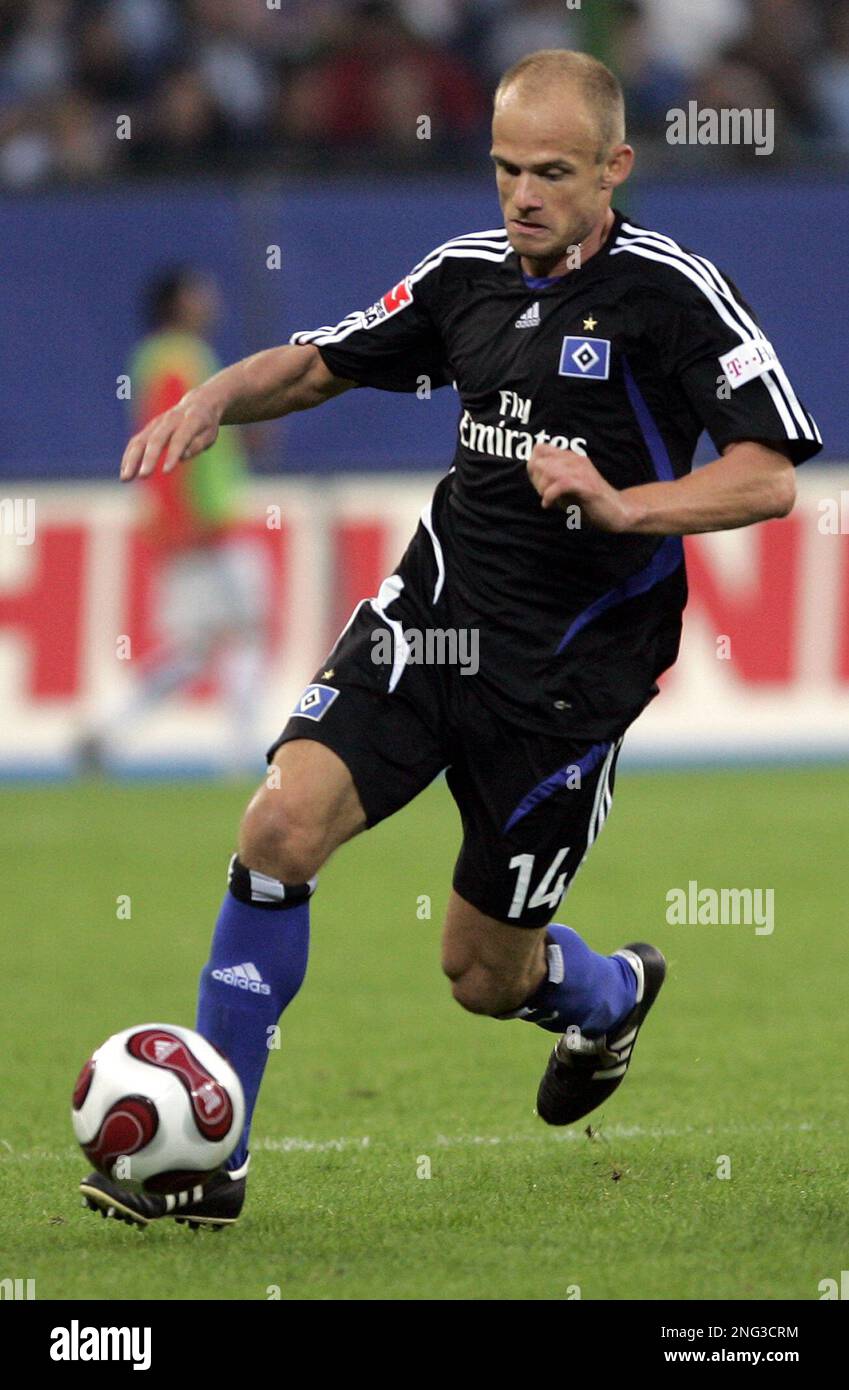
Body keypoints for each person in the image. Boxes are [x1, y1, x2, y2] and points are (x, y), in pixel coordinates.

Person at [80, 49, 821, 1229]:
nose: (522, 195)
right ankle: (209, 1159)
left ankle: (608, 993)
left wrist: (630, 505)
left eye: (554, 172)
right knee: (278, 824)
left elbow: (767, 474)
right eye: (504, 168)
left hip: (570, 677)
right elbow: (325, 362)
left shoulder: (673, 294)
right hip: (431, 620)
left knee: (482, 974)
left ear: (614, 169)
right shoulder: (465, 276)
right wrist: (217, 394)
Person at [78, 267, 268, 775]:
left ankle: (106, 730)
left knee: (193, 649)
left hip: (197, 522)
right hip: (206, 526)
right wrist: (180, 517)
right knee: (245, 633)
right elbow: (168, 444)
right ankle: (242, 759)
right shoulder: (178, 360)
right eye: (198, 291)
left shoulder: (170, 359)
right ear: (178, 304)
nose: (209, 297)